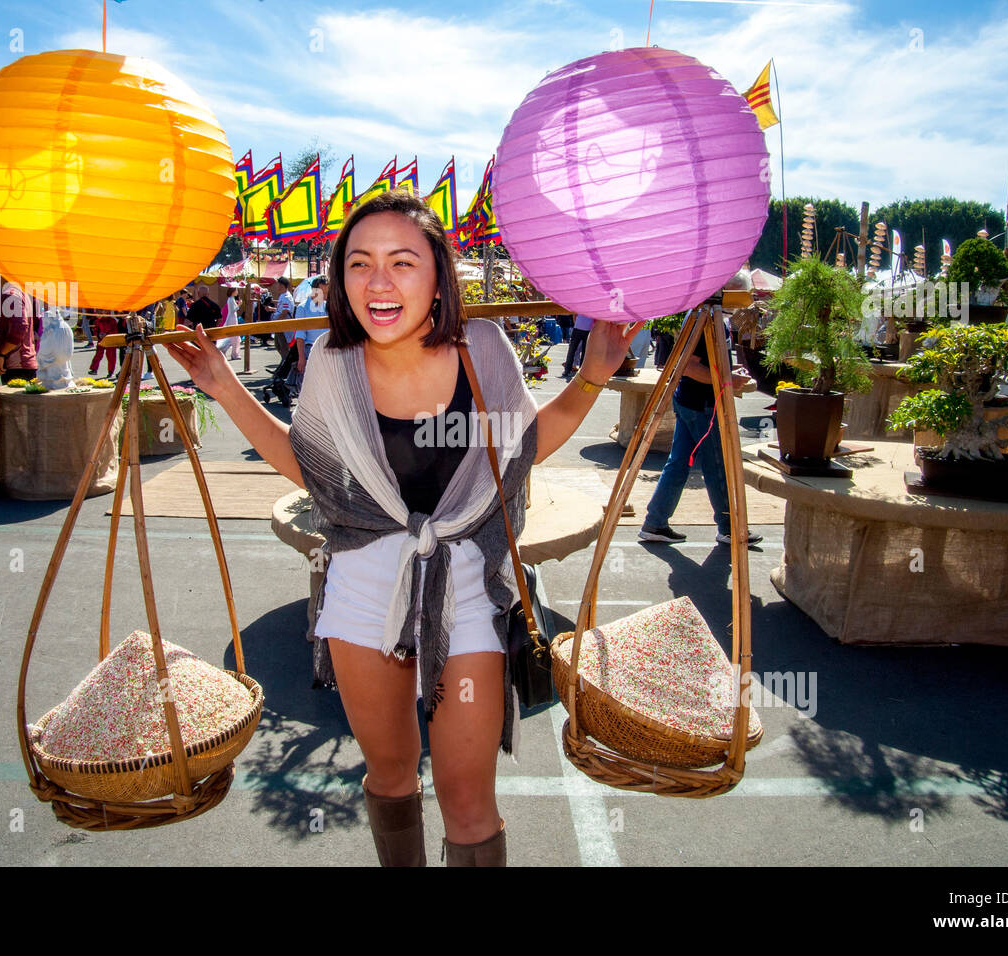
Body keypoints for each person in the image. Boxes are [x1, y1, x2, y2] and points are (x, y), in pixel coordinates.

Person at [164, 190, 641, 867]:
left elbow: (527, 444)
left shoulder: (482, 347)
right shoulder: (333, 363)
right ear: (340, 280)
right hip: (361, 595)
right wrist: (222, 384)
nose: (379, 282)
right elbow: (313, 472)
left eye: (401, 262)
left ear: (437, 276)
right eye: (359, 264)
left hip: (469, 588)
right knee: (389, 775)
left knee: (469, 801)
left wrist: (592, 377)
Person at [638, 308, 762, 547]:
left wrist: (729, 372)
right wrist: (727, 380)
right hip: (701, 404)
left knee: (679, 463)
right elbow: (691, 367)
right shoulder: (704, 317)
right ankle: (728, 528)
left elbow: (705, 362)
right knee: (716, 466)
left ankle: (655, 522)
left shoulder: (711, 316)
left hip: (693, 401)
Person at [0, 281, 38, 385]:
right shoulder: (24, 292)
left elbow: (20, 328)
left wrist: (1, 354)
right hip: (26, 361)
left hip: (16, 364)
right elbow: (36, 324)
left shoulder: (10, 294)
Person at [289, 276, 328, 382]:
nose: (325, 296)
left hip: (327, 349)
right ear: (314, 290)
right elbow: (300, 334)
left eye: (326, 293)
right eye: (323, 292)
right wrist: (301, 357)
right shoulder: (303, 308)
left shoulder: (327, 306)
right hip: (310, 349)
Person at [88, 310, 121, 378]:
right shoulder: (98, 321)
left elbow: (115, 331)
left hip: (110, 340)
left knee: (111, 356)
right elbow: (96, 330)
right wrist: (98, 335)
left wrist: (107, 334)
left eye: (101, 313)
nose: (99, 315)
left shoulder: (112, 321)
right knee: (98, 355)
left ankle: (110, 371)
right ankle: (94, 369)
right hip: (101, 340)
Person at [561, 313, 593, 378]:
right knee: (572, 350)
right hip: (578, 328)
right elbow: (574, 314)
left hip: (587, 330)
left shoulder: (593, 305)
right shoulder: (581, 304)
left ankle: (581, 371)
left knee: (584, 352)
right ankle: (567, 370)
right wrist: (576, 323)